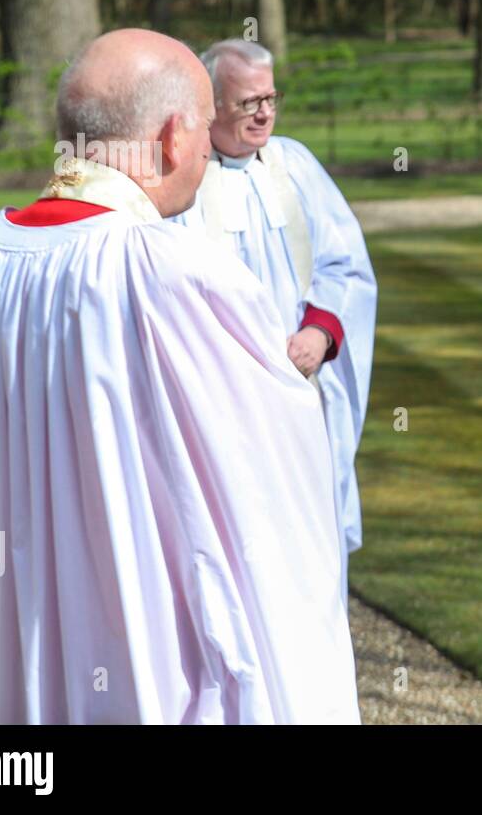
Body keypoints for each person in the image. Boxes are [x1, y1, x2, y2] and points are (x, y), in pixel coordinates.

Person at [0, 28, 360, 724]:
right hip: (147, 659)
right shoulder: (176, 275)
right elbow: (264, 502)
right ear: (172, 139)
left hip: (15, 634)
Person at [169, 39, 375, 606]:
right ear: (211, 104)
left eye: (271, 98)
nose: (264, 113)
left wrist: (321, 332)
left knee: (310, 536)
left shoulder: (296, 164)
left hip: (303, 389)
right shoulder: (183, 178)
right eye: (247, 102)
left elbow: (345, 263)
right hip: (224, 397)